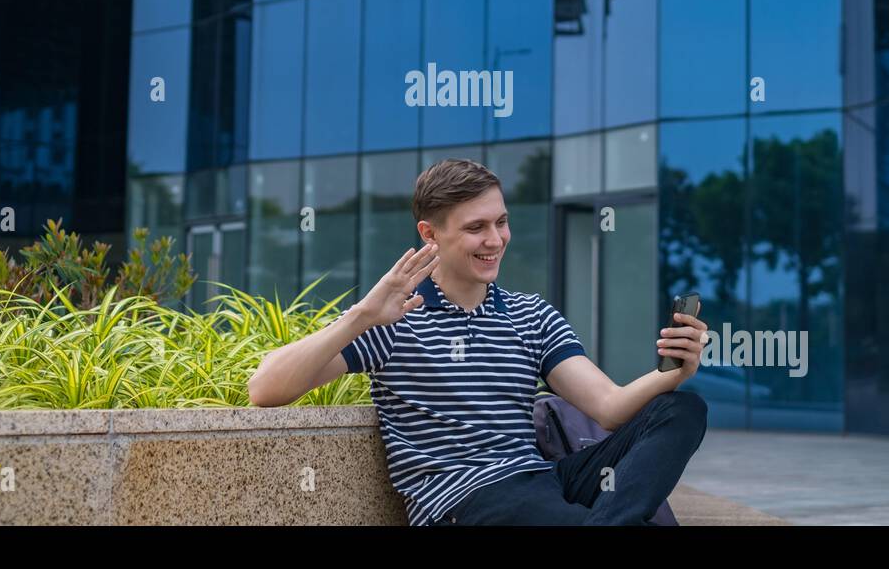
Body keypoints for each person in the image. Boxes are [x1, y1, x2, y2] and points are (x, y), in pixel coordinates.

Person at [247, 157, 709, 525]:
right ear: (430, 234)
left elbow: (608, 406)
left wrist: (676, 372)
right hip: (465, 498)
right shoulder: (392, 318)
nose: (496, 240)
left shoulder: (531, 315)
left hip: (542, 479)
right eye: (476, 228)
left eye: (501, 222)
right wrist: (361, 317)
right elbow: (264, 389)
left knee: (682, 409)